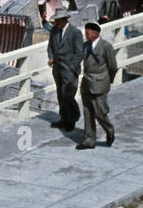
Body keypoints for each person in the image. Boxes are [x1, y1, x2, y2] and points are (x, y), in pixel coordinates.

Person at [77, 22, 117, 150]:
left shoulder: (106, 46)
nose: (86, 35)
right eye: (85, 32)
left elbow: (113, 66)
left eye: (88, 33)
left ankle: (109, 130)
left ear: (95, 33)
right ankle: (89, 140)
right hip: (87, 83)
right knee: (88, 112)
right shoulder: (85, 46)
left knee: (100, 112)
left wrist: (107, 81)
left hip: (100, 83)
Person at [46, 8, 82, 131]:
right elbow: (50, 47)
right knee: (60, 95)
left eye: (57, 20)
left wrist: (72, 68)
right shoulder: (54, 31)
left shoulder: (75, 33)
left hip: (70, 69)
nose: (55, 23)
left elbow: (79, 53)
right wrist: (51, 58)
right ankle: (63, 118)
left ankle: (72, 118)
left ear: (64, 20)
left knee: (68, 94)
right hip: (57, 69)